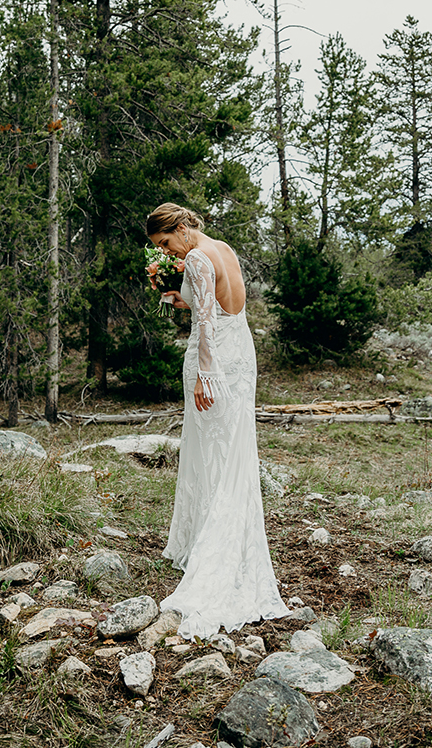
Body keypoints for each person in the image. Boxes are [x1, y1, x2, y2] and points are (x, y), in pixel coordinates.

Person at [146, 203, 287, 639]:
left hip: (215, 361)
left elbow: (205, 322)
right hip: (240, 354)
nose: (169, 253)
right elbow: (223, 305)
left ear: (182, 228)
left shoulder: (197, 257)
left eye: (167, 243)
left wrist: (206, 373)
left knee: (212, 451)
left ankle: (216, 553)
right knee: (231, 454)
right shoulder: (221, 248)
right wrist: (176, 294)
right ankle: (218, 540)